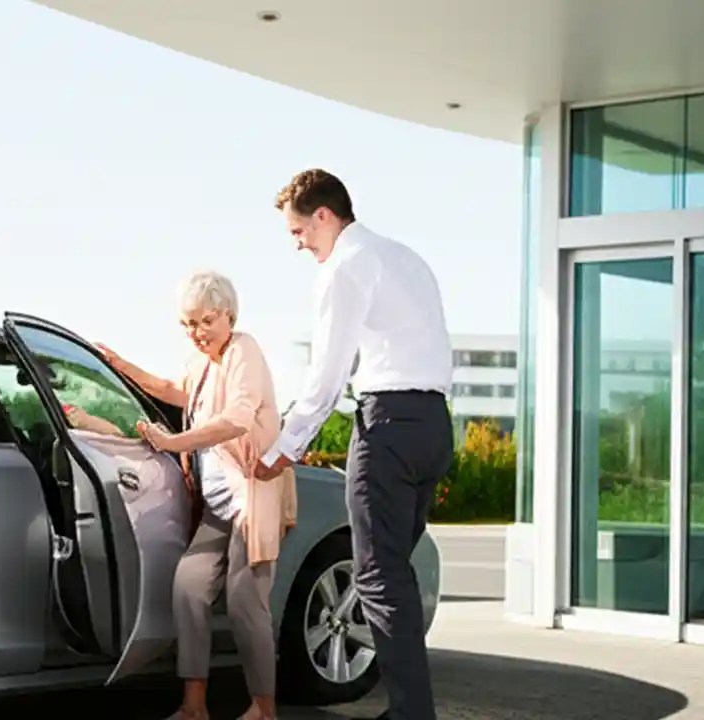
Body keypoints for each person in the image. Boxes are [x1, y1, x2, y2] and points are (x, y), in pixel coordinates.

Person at [252, 169, 453, 720]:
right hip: (433, 425)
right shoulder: (405, 257)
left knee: (378, 576)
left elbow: (326, 376)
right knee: (394, 573)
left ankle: (413, 714)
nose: (299, 246)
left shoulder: (344, 268)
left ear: (324, 215)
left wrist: (280, 450)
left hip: (387, 428)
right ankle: (409, 710)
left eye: (298, 233)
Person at [96, 269, 297, 720]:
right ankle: (194, 706)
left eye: (206, 321)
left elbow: (237, 419)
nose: (197, 332)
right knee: (189, 587)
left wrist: (171, 443)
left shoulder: (244, 351)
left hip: (252, 499)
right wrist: (121, 367)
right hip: (219, 508)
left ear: (228, 315)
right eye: (189, 324)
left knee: (246, 600)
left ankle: (264, 709)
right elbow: (174, 391)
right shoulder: (200, 364)